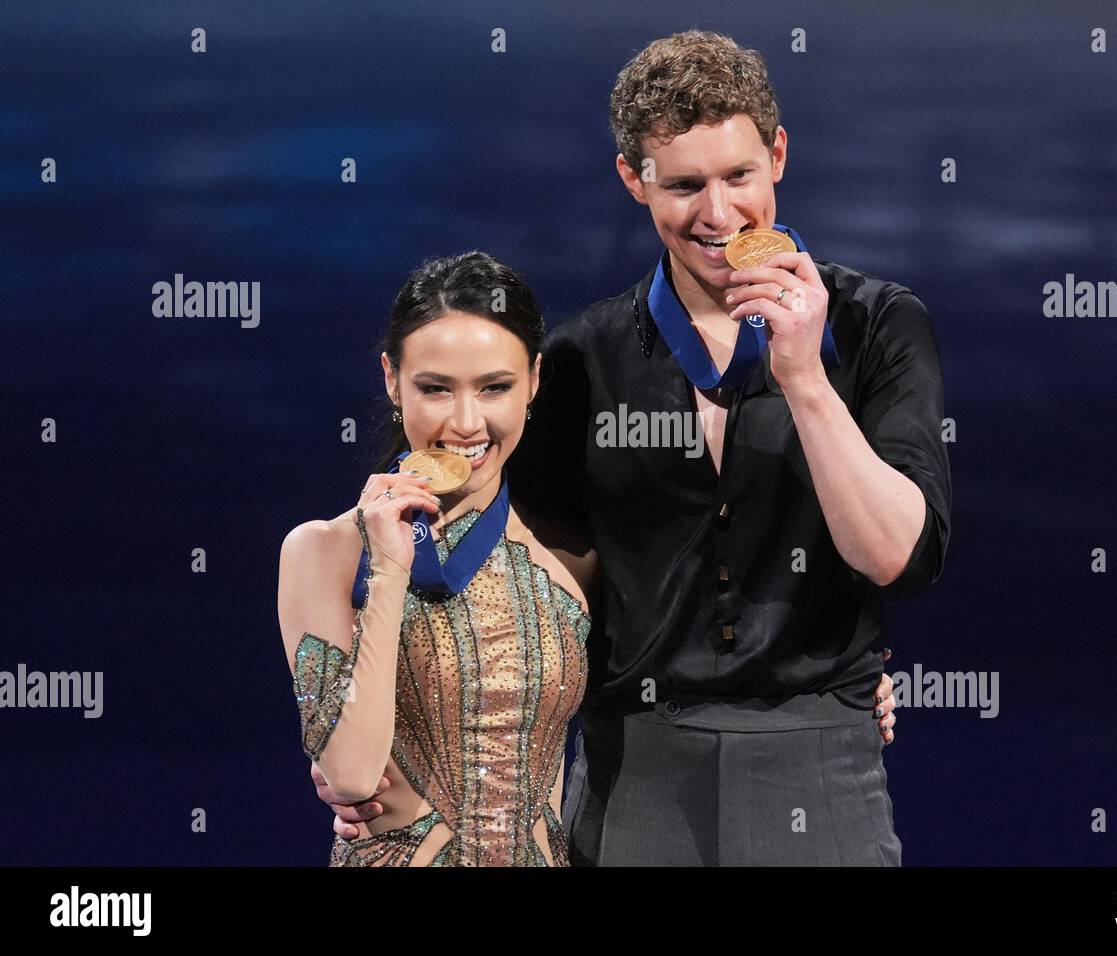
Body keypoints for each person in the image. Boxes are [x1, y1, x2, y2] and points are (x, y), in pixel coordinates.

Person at [324, 29, 929, 866]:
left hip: (819, 753)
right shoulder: (580, 363)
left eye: (738, 177)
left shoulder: (875, 328)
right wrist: (386, 753)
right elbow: (516, 577)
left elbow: (898, 556)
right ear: (632, 180)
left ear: (779, 155)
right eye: (683, 185)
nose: (718, 215)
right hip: (637, 770)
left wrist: (804, 378)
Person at [277, 251, 596, 866]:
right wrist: (391, 570)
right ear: (392, 380)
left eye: (495, 387)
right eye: (435, 389)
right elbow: (349, 775)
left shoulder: (571, 556)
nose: (466, 422)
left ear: (533, 381)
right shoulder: (325, 550)